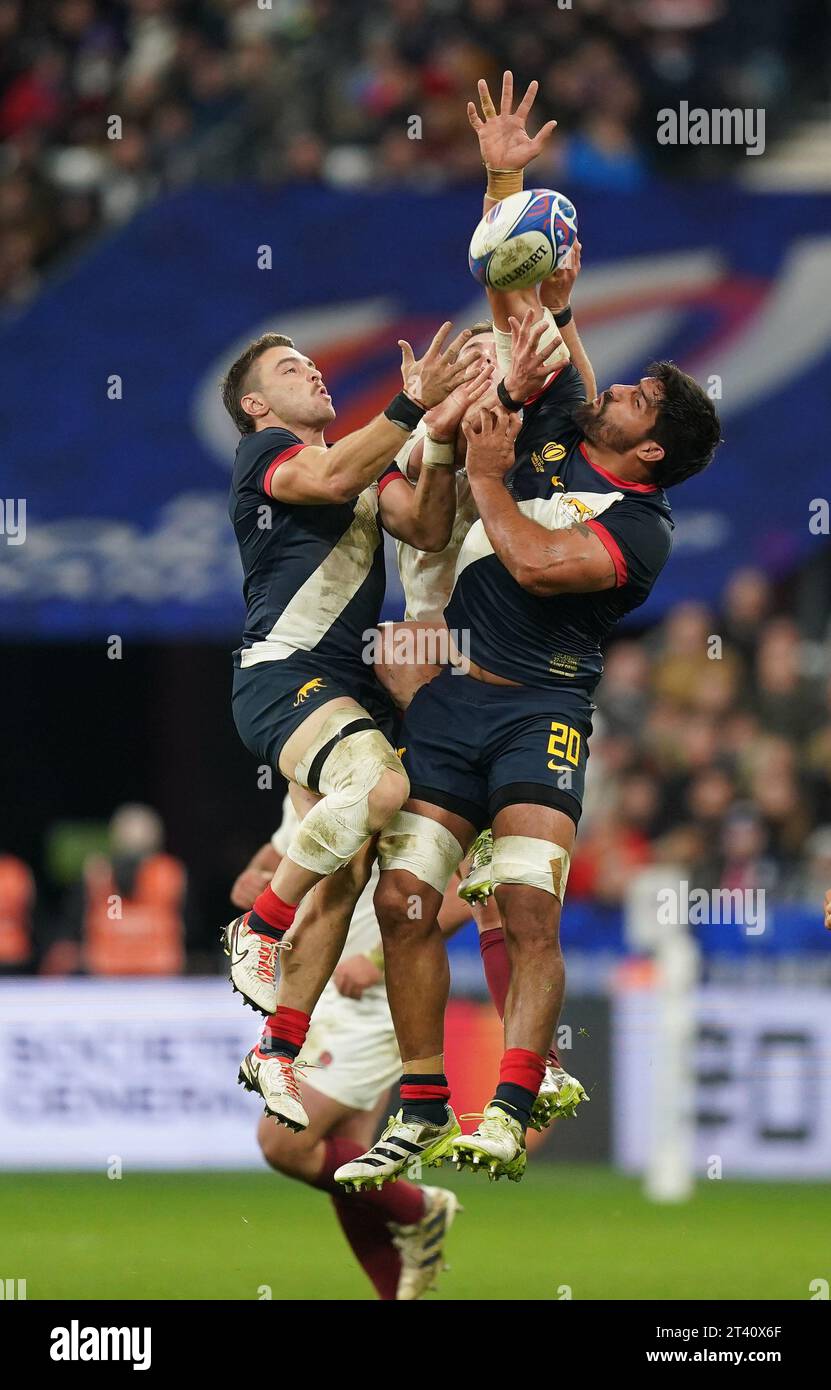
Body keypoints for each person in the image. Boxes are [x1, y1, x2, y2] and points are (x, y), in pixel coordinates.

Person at [335, 71, 722, 1188]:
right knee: (406, 902)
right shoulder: (558, 411)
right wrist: (507, 175)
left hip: (543, 716)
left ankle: (510, 1103)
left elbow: (541, 560)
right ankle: (419, 1103)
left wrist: (491, 481)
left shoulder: (641, 528)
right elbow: (524, 303)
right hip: (454, 698)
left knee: (523, 909)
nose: (620, 392)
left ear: (650, 450)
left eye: (641, 399)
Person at [220, 323, 490, 1129]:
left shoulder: (359, 465)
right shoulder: (267, 455)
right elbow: (335, 473)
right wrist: (411, 403)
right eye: (288, 365)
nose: (311, 368)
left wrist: (437, 439)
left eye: (310, 359)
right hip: (282, 672)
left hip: (346, 686)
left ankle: (276, 1047)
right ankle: (259, 926)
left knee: (344, 872)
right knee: (377, 787)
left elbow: (430, 527)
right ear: (257, 403)